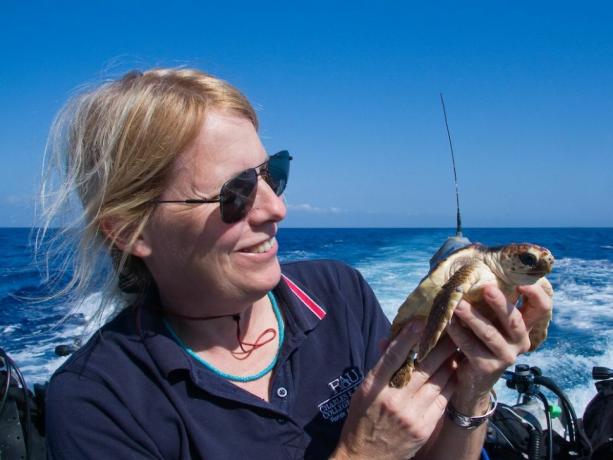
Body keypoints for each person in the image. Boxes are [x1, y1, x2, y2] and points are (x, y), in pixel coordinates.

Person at [42, 68, 552, 459]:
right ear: (130, 231)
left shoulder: (339, 294)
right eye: (235, 194)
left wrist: (472, 392)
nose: (276, 208)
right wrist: (362, 452)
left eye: (271, 174)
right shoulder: (100, 403)